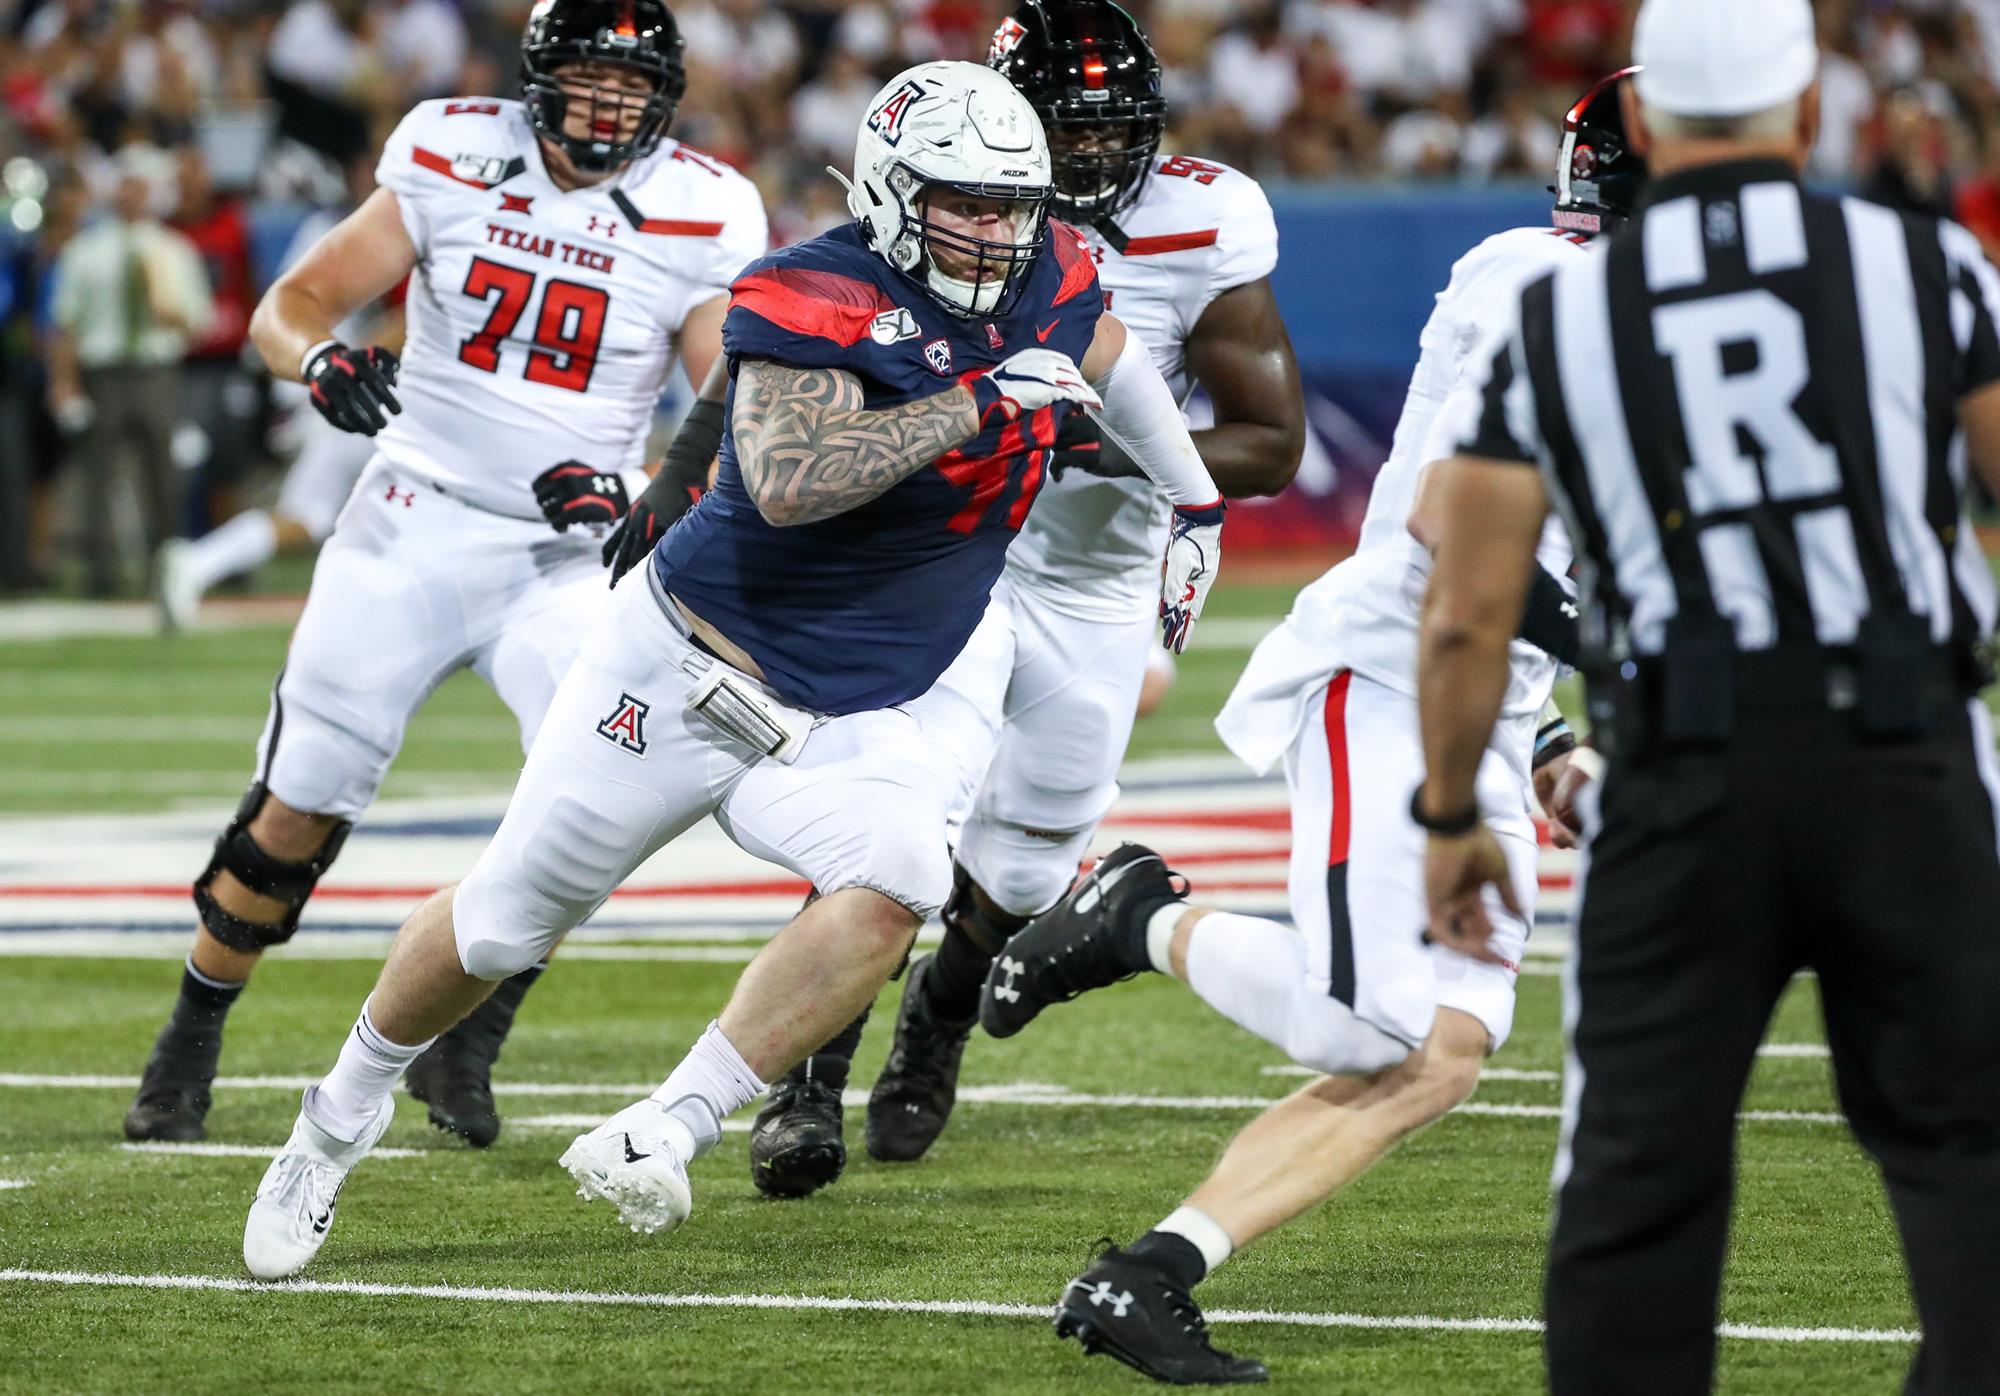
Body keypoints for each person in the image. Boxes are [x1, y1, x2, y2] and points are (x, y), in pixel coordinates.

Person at [238, 57, 1230, 1282]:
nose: (991, 231)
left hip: (851, 705)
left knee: (901, 873)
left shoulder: (1051, 271)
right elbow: (787, 481)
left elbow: (1112, 351)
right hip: (680, 676)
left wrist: (1193, 499)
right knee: (501, 921)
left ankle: (670, 1121)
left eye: (1008, 203)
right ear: (887, 187)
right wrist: (971, 402)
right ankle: (331, 1122)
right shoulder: (810, 290)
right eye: (961, 201)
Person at [974, 69, 1644, 1385]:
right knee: (1365, 1026)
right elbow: (1454, 523)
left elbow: (1540, 538)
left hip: (1484, 697)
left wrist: (1547, 723)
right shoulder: (1551, 286)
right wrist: (1603, 662)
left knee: (1445, 1048)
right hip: (1395, 677)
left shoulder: (1605, 294)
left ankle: (1146, 1273)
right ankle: (1138, 916)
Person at [1420, 3, 2000, 1390]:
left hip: (1682, 773)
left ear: (1647, 126)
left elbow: (1469, 602)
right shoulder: (1925, 265)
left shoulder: (1563, 310)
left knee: (1638, 1187)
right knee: (1966, 1157)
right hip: (1902, 751)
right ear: (1810, 117)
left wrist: (1452, 809)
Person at [121, 0, 768, 1149]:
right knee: (296, 807)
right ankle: (190, 1037)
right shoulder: (449, 148)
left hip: (571, 552)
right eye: (586, 77)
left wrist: (636, 495)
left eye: (630, 85)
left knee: (592, 803)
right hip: (410, 522)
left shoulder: (705, 206)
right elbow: (297, 304)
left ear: (665, 97)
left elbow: (729, 411)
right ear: (535, 80)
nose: (608, 103)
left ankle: (467, 1042)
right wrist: (318, 361)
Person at [737, 0, 1307, 1201]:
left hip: (1093, 582)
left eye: (1116, 126)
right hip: (944, 557)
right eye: (1068, 129)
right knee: (890, 810)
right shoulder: (935, 192)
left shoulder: (1204, 220)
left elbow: (1266, 442)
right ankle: (806, 1074)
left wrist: (1091, 446)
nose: (1095, 155)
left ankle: (934, 1020)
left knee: (1033, 851)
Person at [46, 152, 213, 597]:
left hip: (157, 369)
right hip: (103, 370)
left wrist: (168, 310)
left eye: (141, 186)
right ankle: (100, 573)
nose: (132, 194)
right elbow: (65, 323)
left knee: (164, 473)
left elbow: (198, 321)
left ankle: (168, 570)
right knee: (97, 473)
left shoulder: (174, 250)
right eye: (126, 185)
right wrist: (64, 384)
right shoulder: (86, 249)